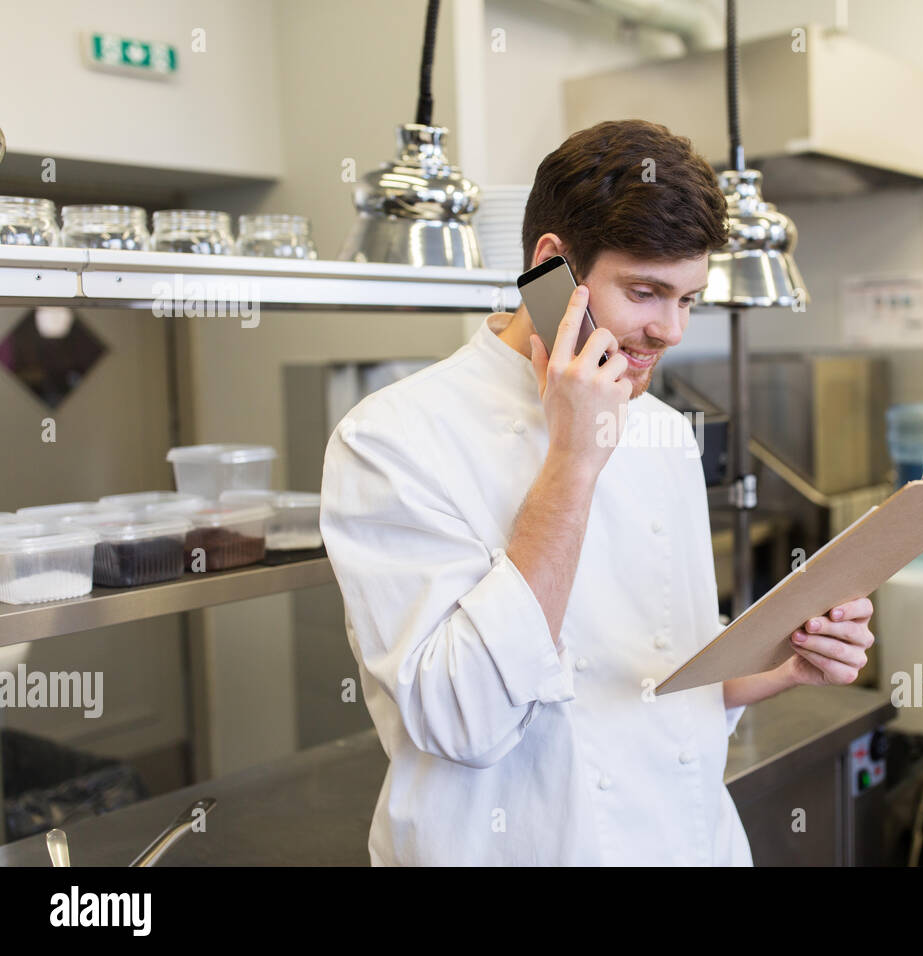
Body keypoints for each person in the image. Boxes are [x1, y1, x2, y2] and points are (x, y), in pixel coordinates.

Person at [319, 119, 875, 866]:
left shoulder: (666, 433)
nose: (671, 329)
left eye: (689, 298)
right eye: (645, 291)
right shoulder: (392, 439)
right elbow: (464, 721)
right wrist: (574, 462)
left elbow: (661, 682)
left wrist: (783, 666)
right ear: (553, 267)